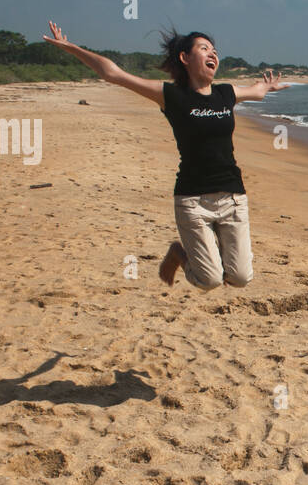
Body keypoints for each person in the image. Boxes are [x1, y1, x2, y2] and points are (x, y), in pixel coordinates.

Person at [42, 21, 288, 289]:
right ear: (185, 58)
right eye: (204, 48)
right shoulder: (172, 96)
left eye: (215, 50)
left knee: (240, 278)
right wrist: (69, 47)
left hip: (232, 196)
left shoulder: (225, 93)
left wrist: (268, 87)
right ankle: (178, 254)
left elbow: (257, 91)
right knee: (210, 281)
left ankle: (209, 250)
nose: (213, 54)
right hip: (193, 200)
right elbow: (113, 74)